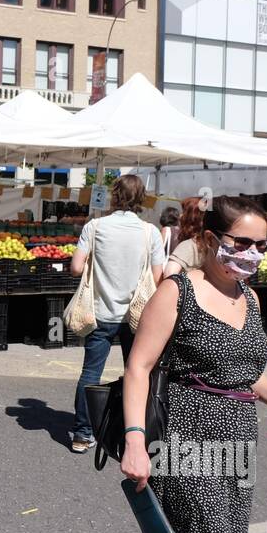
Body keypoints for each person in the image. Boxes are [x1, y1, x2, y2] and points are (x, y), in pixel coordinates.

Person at [116, 195, 267, 533]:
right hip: (184, 436)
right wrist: (135, 441)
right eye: (243, 243)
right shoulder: (177, 291)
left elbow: (242, 368)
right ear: (213, 238)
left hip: (237, 438)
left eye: (263, 245)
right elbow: (137, 368)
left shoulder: (249, 298)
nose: (252, 254)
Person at [68, 175, 165, 454]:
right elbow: (158, 277)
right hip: (137, 316)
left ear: (114, 196)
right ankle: (135, 431)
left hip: (99, 313)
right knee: (138, 372)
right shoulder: (150, 232)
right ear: (142, 198)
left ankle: (82, 434)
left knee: (90, 373)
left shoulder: (94, 227)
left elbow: (76, 267)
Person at [163, 196, 208, 277]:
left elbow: (169, 275)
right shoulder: (209, 244)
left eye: (184, 212)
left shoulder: (188, 245)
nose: (180, 216)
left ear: (192, 217)